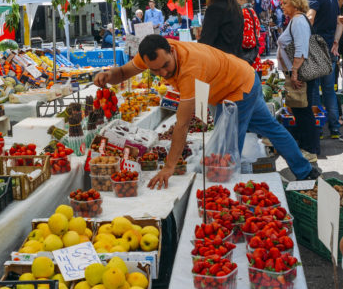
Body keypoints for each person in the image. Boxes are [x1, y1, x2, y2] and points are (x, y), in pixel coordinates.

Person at [93, 35, 319, 189]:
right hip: (237, 80)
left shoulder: (191, 69)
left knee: (227, 146)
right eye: (155, 70)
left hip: (238, 89)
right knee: (270, 128)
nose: (162, 73)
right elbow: (124, 72)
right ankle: (304, 170)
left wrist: (169, 167)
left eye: (165, 66)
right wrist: (108, 76)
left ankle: (227, 189)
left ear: (171, 50)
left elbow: (182, 124)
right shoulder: (153, 53)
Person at [276, 0, 320, 157]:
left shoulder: (299, 21)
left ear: (295, 4)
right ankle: (306, 146)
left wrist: (294, 72)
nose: (282, 6)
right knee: (300, 111)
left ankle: (310, 149)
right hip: (297, 72)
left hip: (300, 74)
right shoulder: (296, 20)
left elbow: (301, 50)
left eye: (285, 3)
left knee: (304, 111)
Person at [300, 0, 342, 138]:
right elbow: (339, 21)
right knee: (329, 90)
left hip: (316, 46)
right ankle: (335, 129)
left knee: (314, 90)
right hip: (330, 46)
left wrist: (299, 34)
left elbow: (310, 17)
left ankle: (318, 129)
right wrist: (336, 41)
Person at [199, 0, 253, 64]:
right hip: (235, 63)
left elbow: (205, 42)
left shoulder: (214, 9)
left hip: (220, 65)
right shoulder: (236, 8)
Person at [235, 0, 261, 65]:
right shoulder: (251, 11)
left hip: (248, 64)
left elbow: (248, 42)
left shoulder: (244, 13)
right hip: (254, 60)